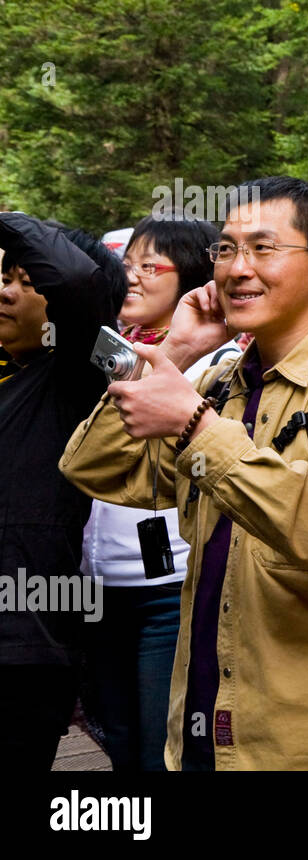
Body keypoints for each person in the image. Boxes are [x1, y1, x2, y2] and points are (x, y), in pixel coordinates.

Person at [60, 176, 308, 770]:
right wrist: (176, 352)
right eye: (226, 249)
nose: (237, 269)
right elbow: (92, 468)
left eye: (263, 248)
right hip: (200, 732)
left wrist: (195, 425)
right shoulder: (219, 382)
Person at [79, 213, 241, 772]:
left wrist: (175, 354)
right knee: (115, 735)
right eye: (127, 265)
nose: (132, 278)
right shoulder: (113, 353)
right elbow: (85, 462)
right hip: (98, 586)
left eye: (151, 266)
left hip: (166, 588)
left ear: (192, 277)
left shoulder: (222, 365)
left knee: (159, 744)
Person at [0, 213, 127, 769]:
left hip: (23, 644)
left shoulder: (76, 375)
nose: (5, 292)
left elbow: (78, 283)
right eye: (3, 277)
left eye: (28, 283)